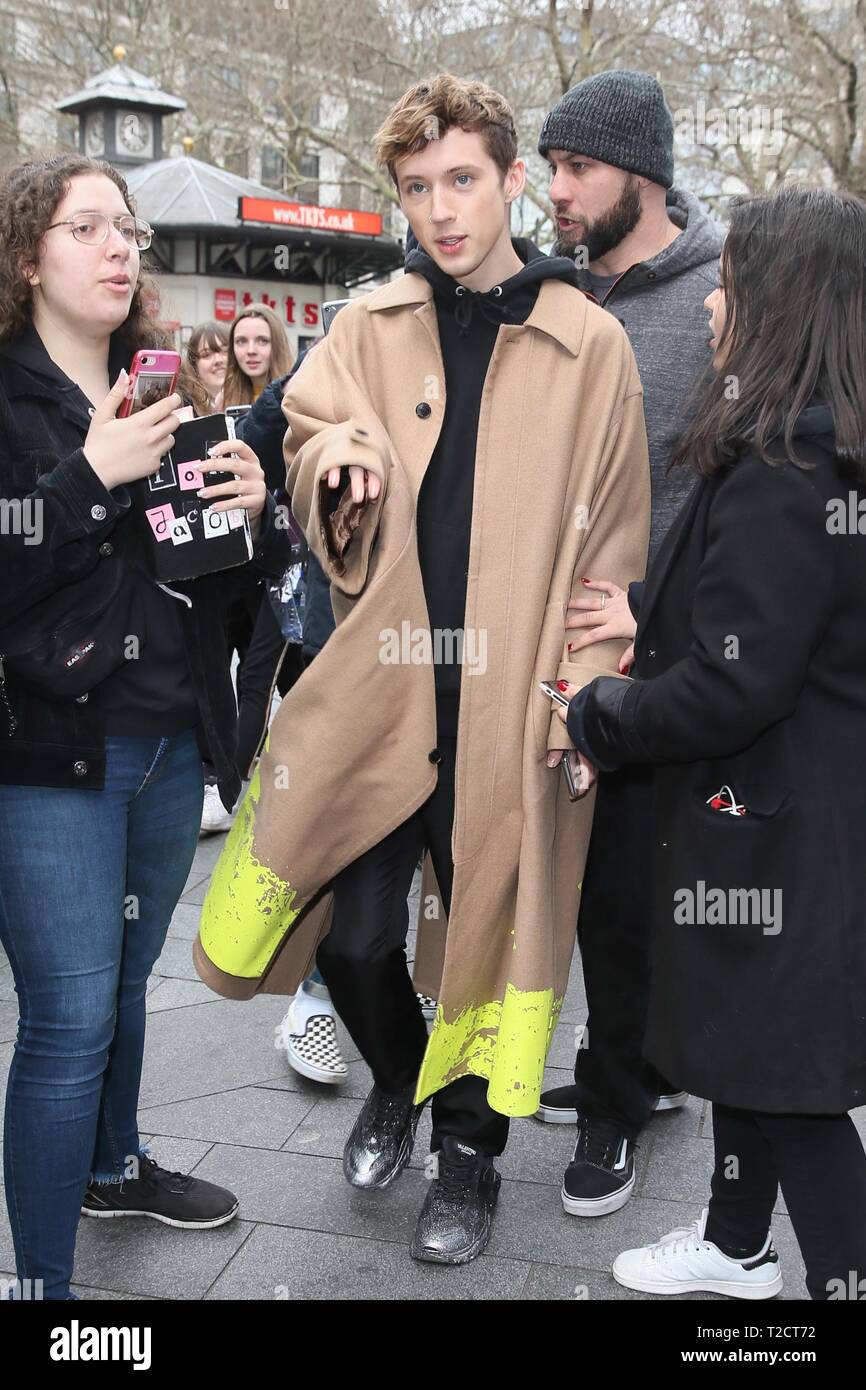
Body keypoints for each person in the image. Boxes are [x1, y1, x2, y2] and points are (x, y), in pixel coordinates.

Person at [196, 72, 650, 1265]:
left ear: (511, 179)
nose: (441, 210)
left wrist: (584, 690)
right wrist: (338, 464)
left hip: (510, 704)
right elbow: (307, 429)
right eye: (415, 187)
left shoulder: (587, 339)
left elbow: (611, 544)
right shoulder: (366, 319)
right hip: (387, 684)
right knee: (353, 942)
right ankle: (395, 1082)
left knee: (481, 941)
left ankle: (467, 1162)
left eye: (462, 180)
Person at [556, 185, 866, 1300]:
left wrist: (597, 713)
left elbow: (732, 687)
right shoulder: (821, 453)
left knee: (792, 1087)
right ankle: (736, 1243)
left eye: (730, 285)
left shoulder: (786, 473)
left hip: (776, 830)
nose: (709, 305)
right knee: (748, 1043)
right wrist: (657, 610)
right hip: (794, 820)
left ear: (778, 303)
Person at [0, 153, 289, 1300]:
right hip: (51, 755)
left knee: (123, 985)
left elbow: (215, 584)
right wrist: (84, 476)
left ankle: (114, 1168)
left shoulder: (160, 389)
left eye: (127, 227)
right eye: (87, 227)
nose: (120, 246)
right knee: (67, 1018)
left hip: (173, 744)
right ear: (28, 255)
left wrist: (256, 521)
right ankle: (45, 1292)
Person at [534, 69, 725, 1218]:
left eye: (577, 171)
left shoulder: (716, 300)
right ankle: (633, 1070)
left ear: (639, 178)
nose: (553, 191)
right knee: (560, 873)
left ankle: (617, 1098)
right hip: (532, 641)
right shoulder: (547, 293)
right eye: (550, 168)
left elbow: (739, 493)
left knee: (622, 886)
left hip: (658, 656)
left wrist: (649, 603)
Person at [199, 304, 296, 831]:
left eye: (260, 340)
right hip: (233, 560)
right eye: (242, 341)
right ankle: (236, 774)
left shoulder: (293, 398)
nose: (250, 350)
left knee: (267, 672)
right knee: (256, 673)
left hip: (287, 558)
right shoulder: (218, 405)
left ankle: (231, 785)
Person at [222, 303, 293, 407]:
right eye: (241, 341)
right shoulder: (225, 399)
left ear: (278, 344)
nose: (251, 351)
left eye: (262, 341)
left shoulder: (295, 395)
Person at [183, 319, 229, 413]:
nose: (218, 360)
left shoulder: (256, 402)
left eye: (225, 351)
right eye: (206, 355)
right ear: (194, 365)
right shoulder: (185, 410)